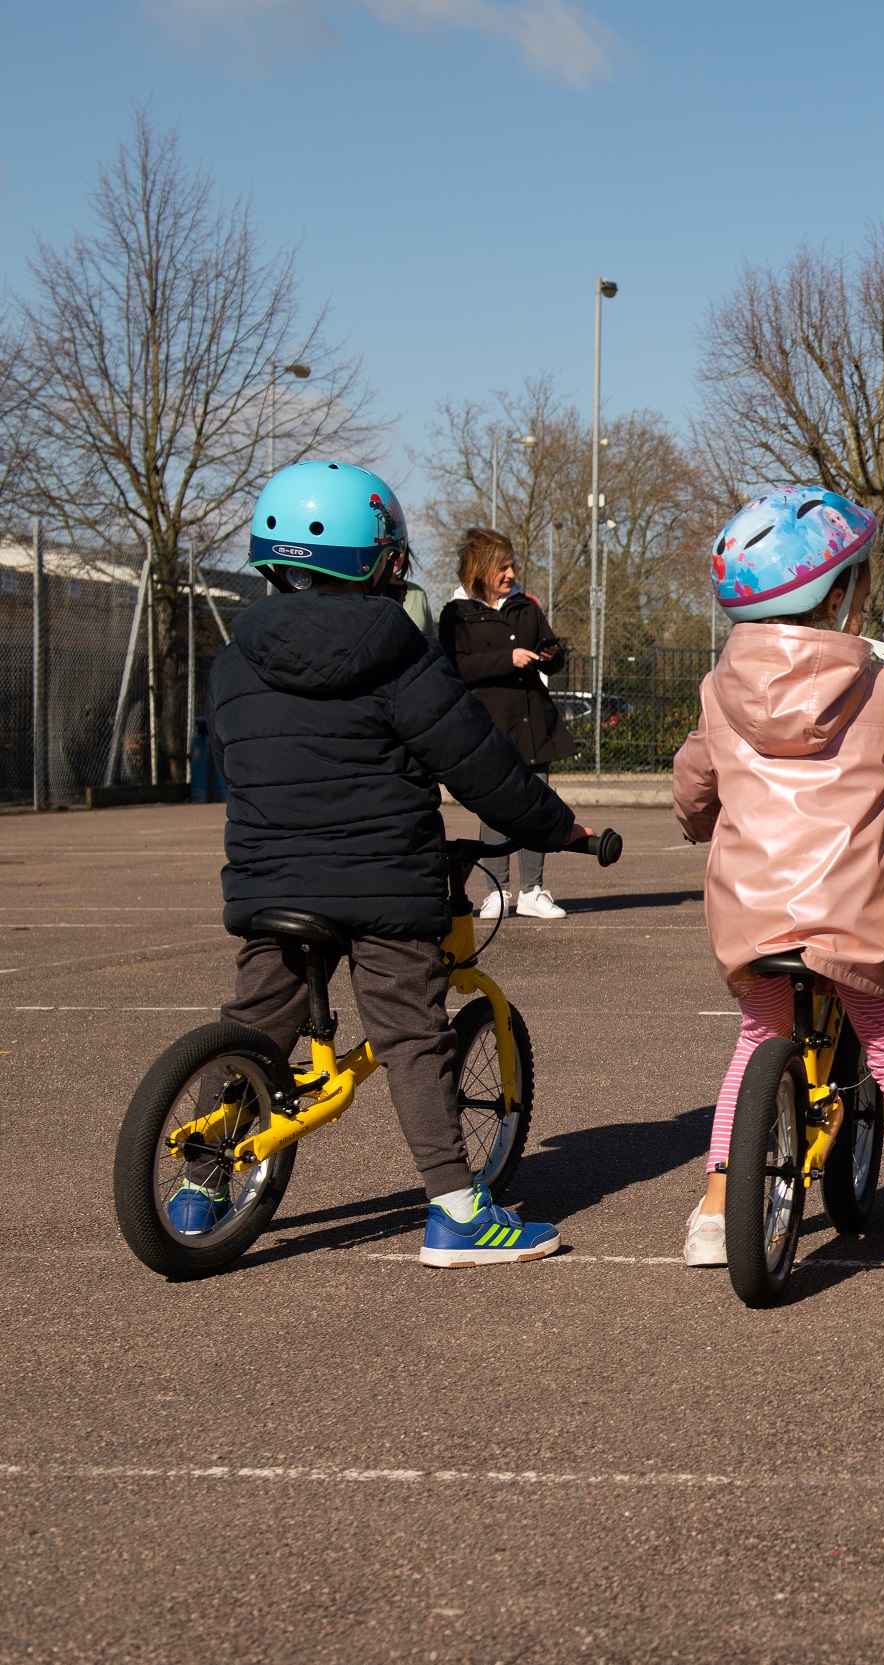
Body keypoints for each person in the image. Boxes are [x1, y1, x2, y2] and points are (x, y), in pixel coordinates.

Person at [202, 460, 588, 1267]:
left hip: (268, 882)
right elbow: (481, 766)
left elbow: (244, 759)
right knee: (414, 1033)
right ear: (381, 560)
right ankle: (456, 1210)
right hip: (384, 885)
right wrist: (561, 829)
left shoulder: (233, 659)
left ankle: (200, 1185)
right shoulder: (400, 655)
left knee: (252, 1023)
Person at [672, 488, 884, 1273]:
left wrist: (695, 822)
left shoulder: (720, 690)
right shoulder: (872, 685)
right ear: (838, 593)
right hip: (851, 908)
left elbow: (693, 785)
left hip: (752, 908)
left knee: (756, 1036)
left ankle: (716, 1215)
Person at [438, 528, 575, 919]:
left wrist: (550, 655)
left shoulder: (526, 605)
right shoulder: (456, 614)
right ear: (480, 570)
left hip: (533, 724)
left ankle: (532, 891)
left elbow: (553, 653)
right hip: (489, 726)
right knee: (495, 809)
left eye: (512, 565)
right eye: (503, 566)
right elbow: (455, 666)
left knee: (537, 805)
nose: (511, 572)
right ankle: (494, 891)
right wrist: (506, 658)